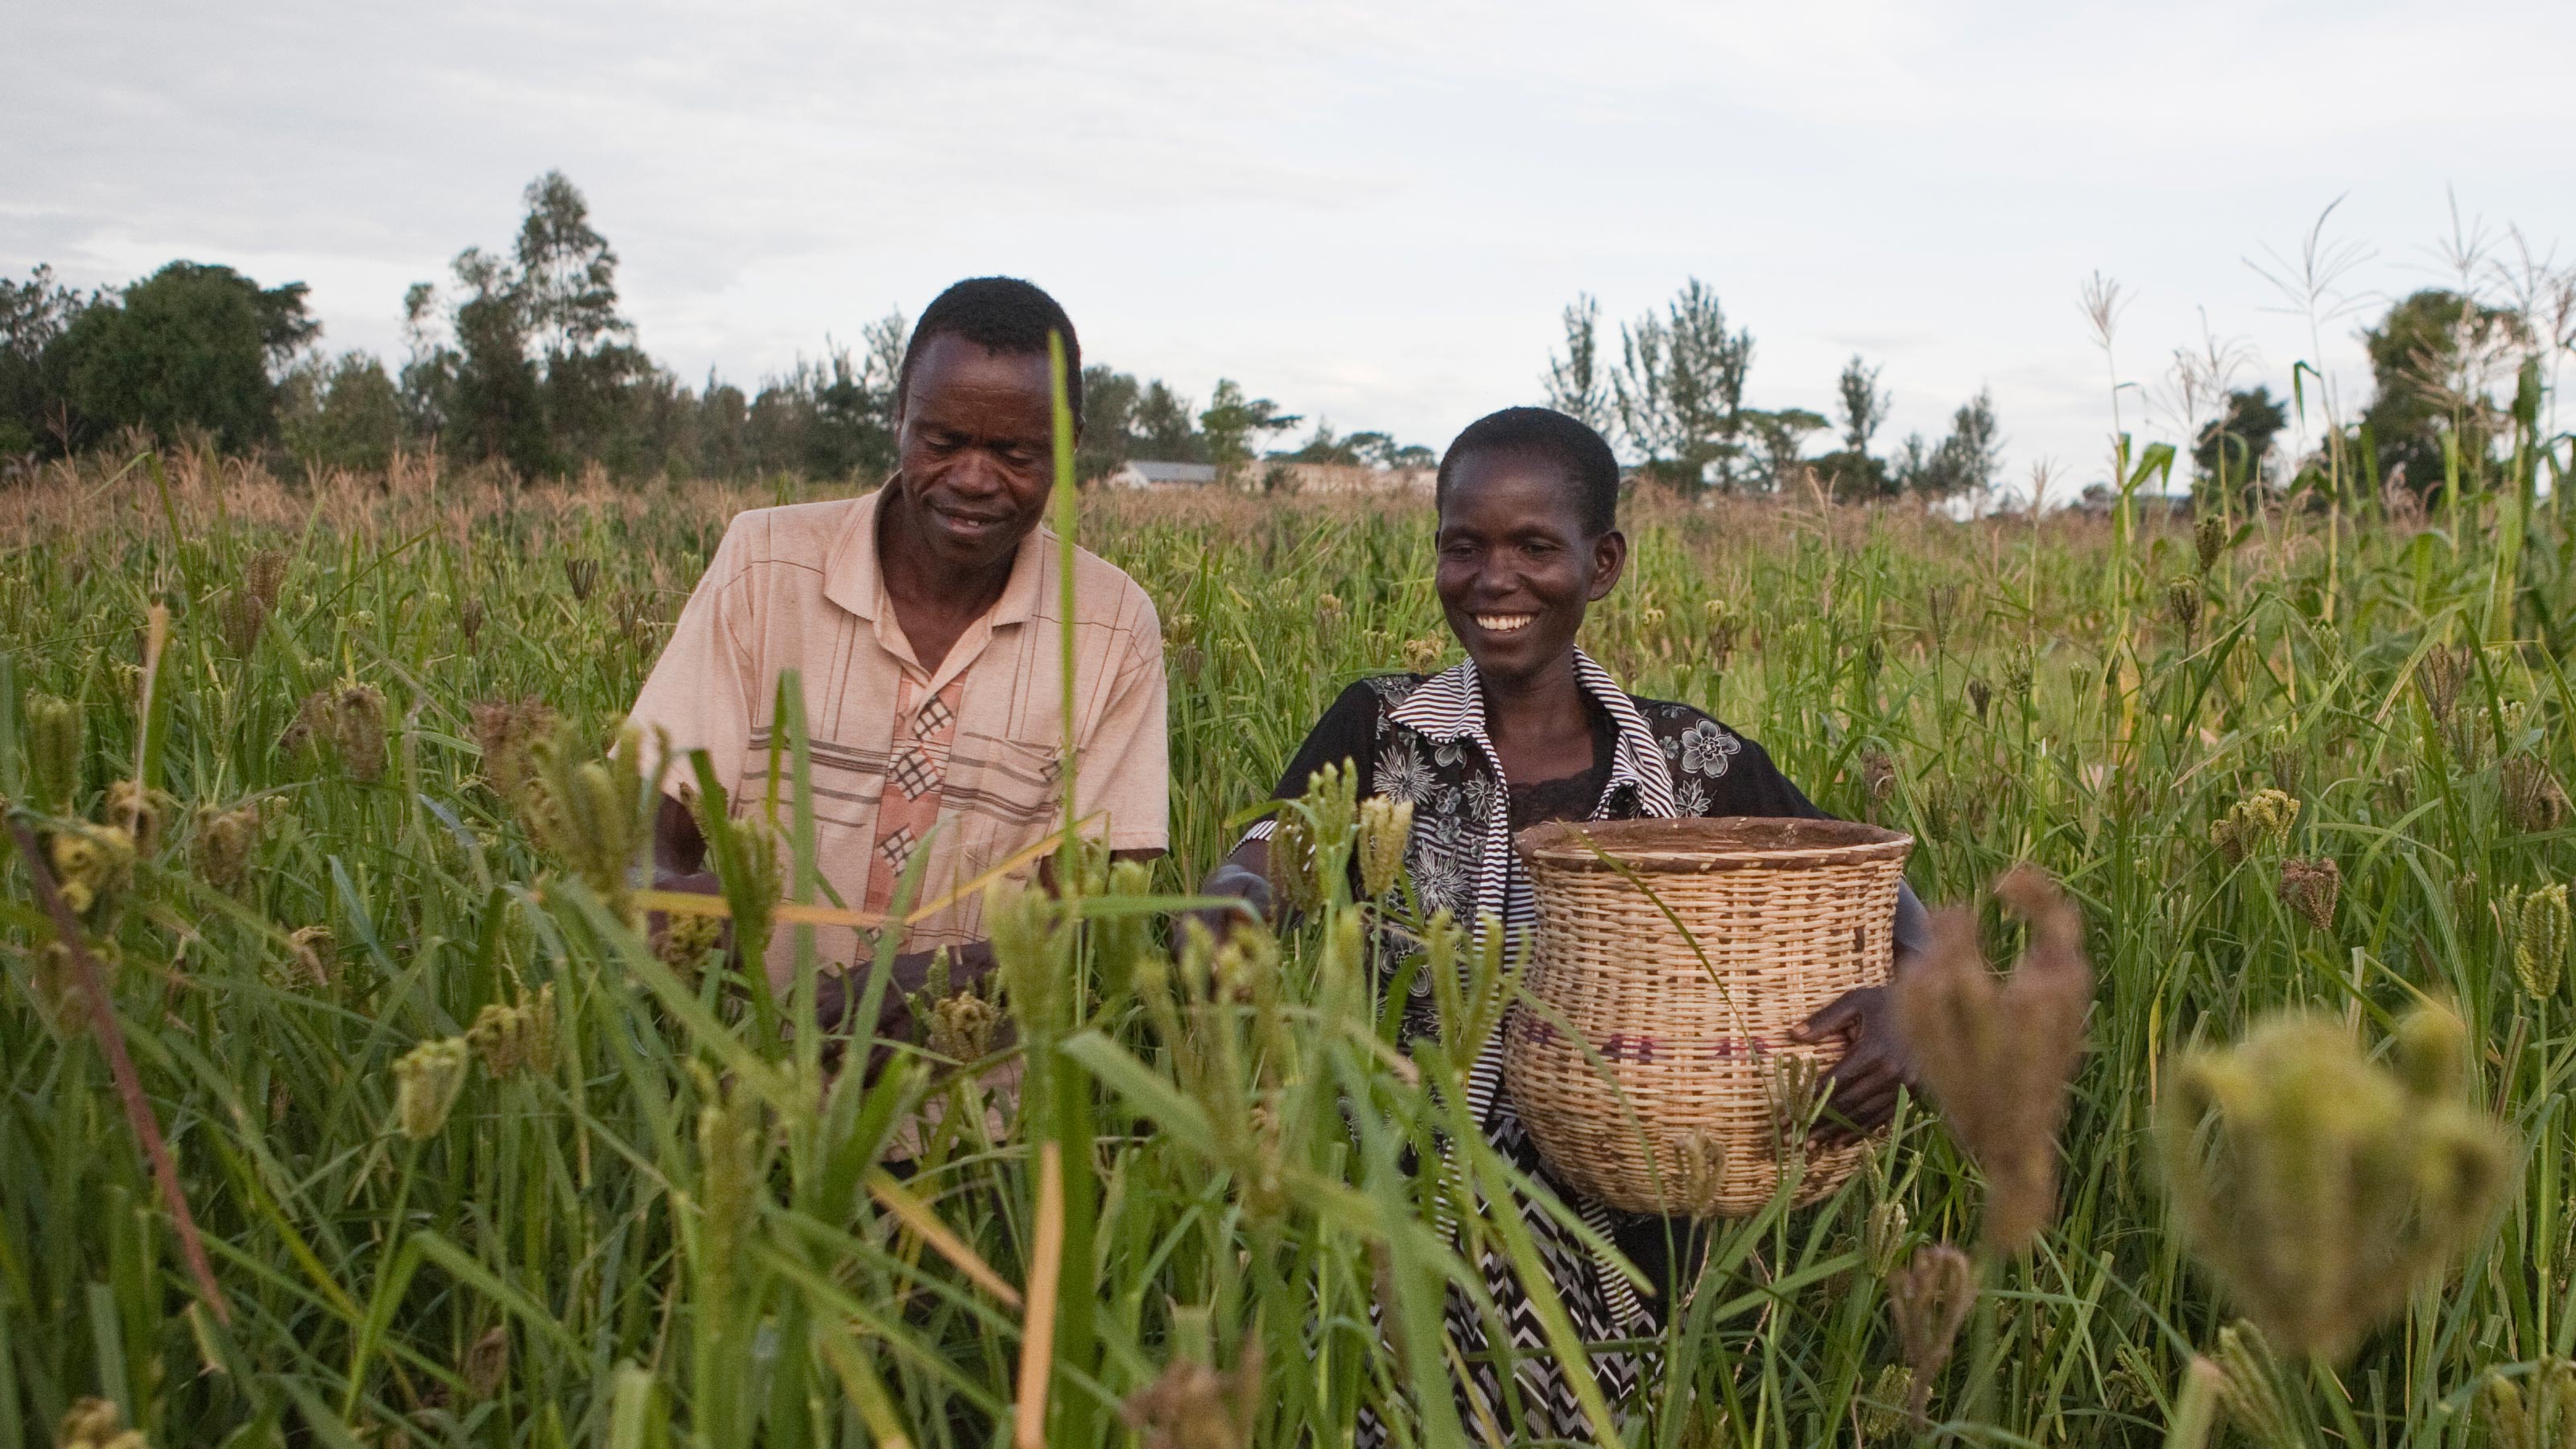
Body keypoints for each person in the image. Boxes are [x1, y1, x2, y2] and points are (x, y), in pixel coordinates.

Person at [1196, 407, 1930, 1442]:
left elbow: (1873, 887)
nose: (1494, 579)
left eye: (1535, 547)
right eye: (1463, 546)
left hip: (1635, 1248)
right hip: (1405, 1225)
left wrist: (1913, 1003)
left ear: (1602, 563)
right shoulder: (1383, 727)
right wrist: (1234, 897)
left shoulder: (1689, 762)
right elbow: (1281, 838)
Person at [627, 275, 1168, 1048]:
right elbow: (651, 803)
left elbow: (1098, 904)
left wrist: (929, 989)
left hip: (982, 1100)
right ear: (900, 420)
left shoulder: (1111, 627)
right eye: (942, 442)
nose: (973, 479)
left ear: (1068, 445)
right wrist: (657, 888)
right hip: (748, 1074)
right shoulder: (765, 568)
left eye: (1015, 453)